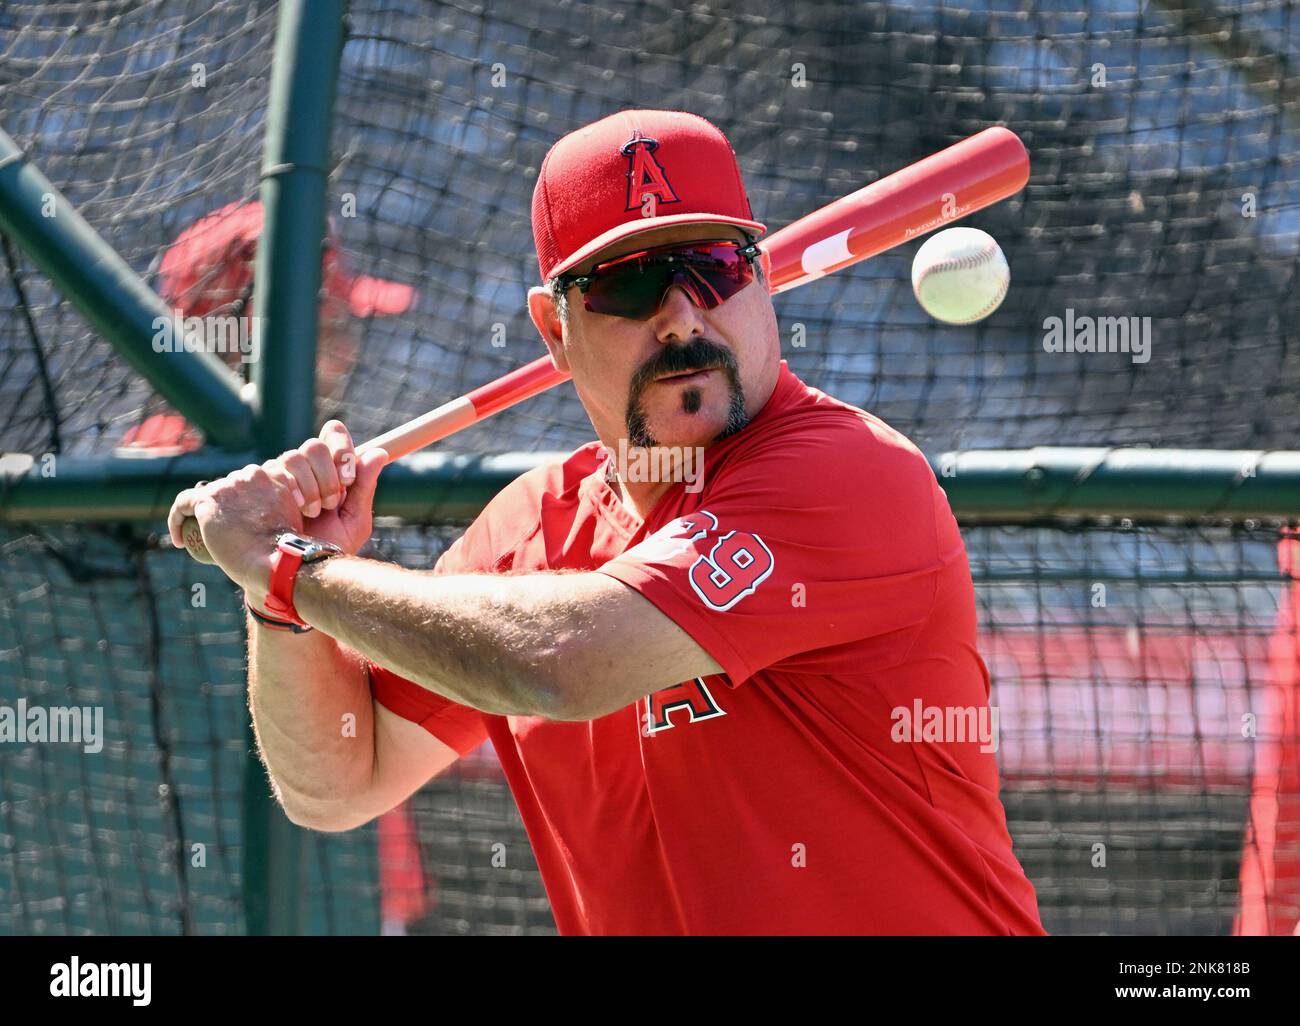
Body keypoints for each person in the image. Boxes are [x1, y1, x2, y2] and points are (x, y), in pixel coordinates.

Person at [167, 109, 1045, 935]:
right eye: (629, 285)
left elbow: (569, 661)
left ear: (762, 278)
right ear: (555, 326)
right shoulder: (525, 530)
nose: (682, 316)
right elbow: (335, 784)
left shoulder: (847, 474)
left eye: (714, 266)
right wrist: (281, 600)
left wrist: (291, 571)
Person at [117, 200, 413, 455]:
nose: (349, 353)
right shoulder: (163, 454)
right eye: (327, 334)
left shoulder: (325, 452)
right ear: (234, 343)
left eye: (347, 327)